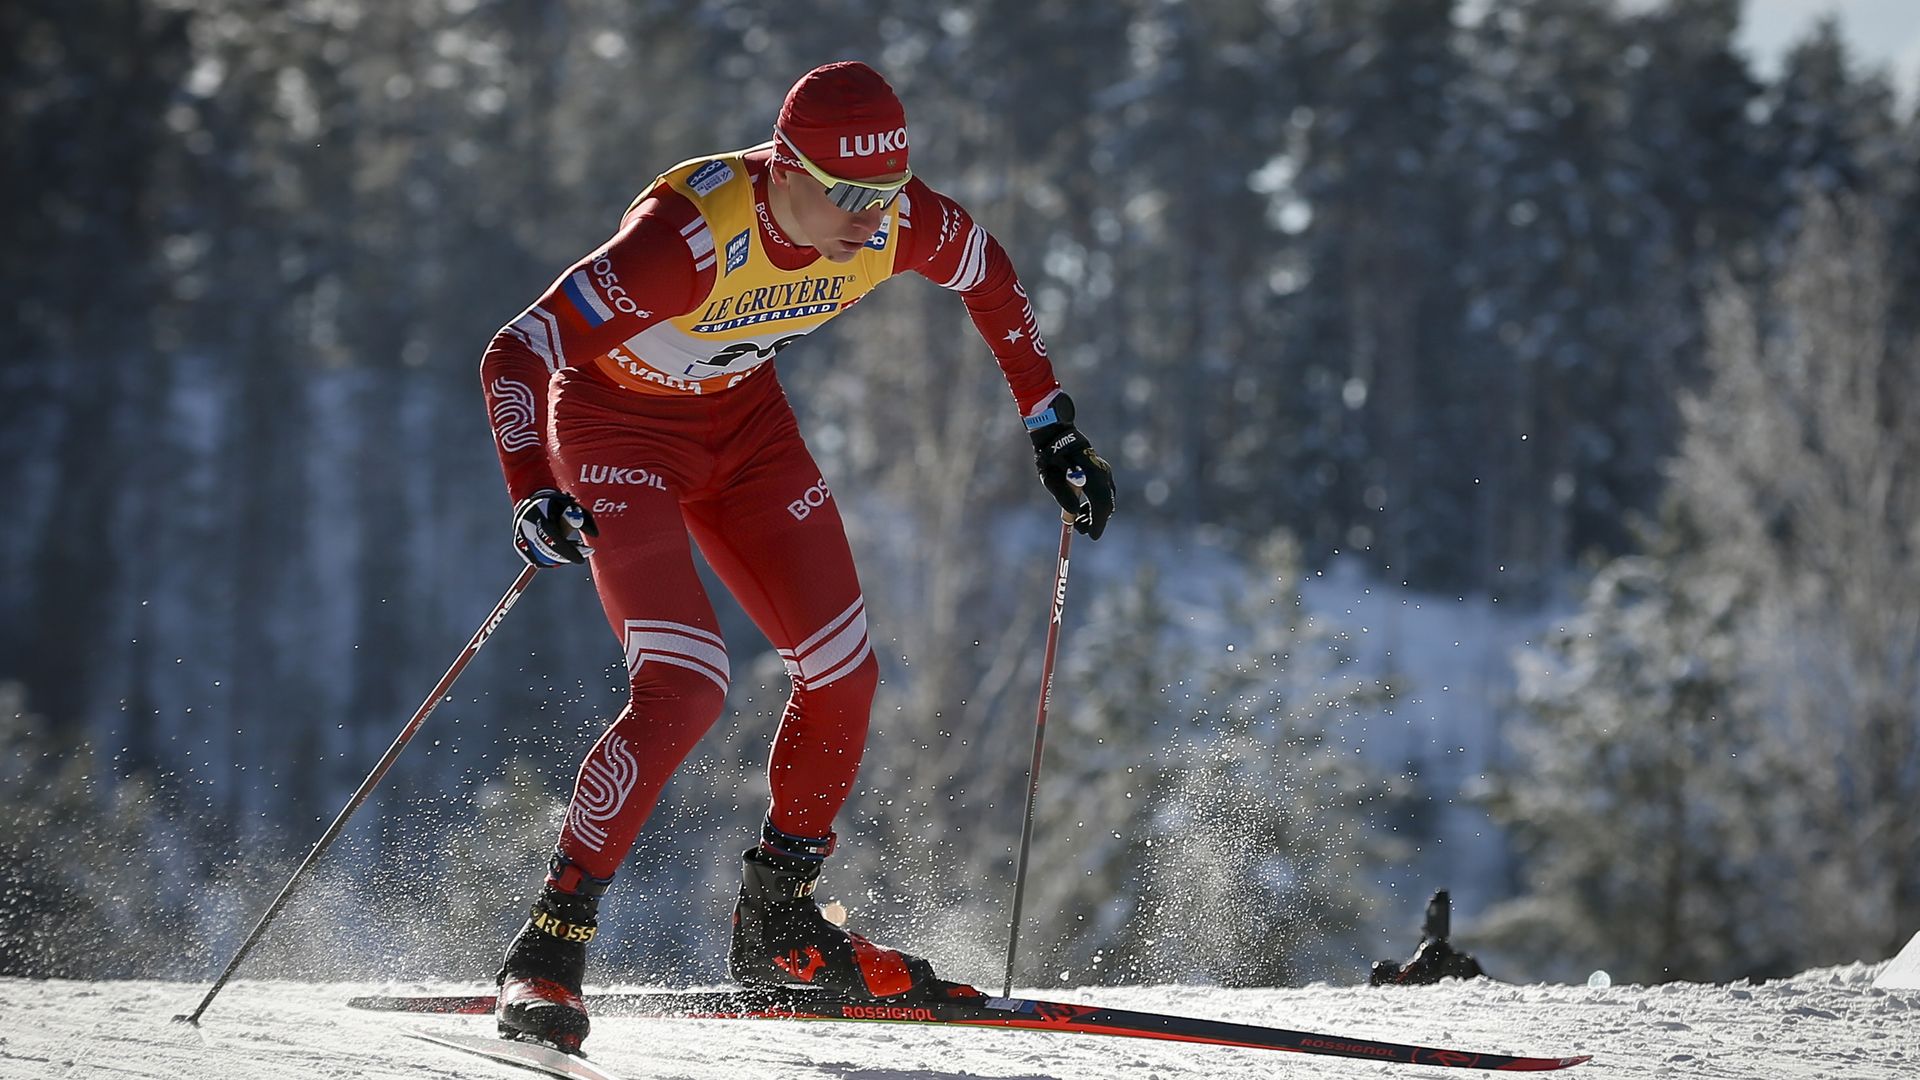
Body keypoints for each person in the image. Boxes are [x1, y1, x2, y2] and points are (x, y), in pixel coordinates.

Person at [477, 61, 1116, 1054]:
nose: (876, 218)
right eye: (851, 195)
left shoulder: (894, 219)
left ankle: (778, 923)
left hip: (745, 433)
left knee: (845, 674)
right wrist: (531, 491)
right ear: (784, 171)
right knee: (687, 687)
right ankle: (550, 945)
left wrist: (1051, 425)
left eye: (892, 193)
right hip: (615, 431)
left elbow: (989, 273)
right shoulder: (685, 244)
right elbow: (515, 350)